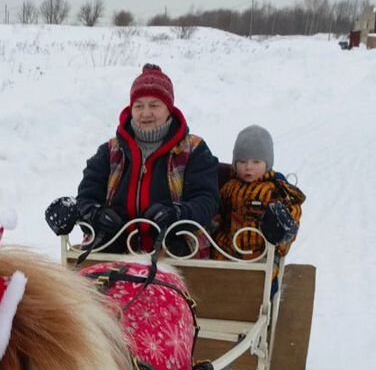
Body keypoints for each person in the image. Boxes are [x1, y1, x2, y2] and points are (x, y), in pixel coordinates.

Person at [45, 64, 220, 255]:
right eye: (139, 106)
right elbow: (87, 197)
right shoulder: (110, 151)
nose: (146, 113)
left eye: (154, 105)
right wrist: (97, 215)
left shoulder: (193, 149)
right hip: (113, 248)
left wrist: (176, 214)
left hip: (175, 250)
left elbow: (206, 199)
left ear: (169, 109)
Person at [212, 125, 305, 271]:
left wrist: (280, 242)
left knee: (260, 279)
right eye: (242, 161)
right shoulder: (230, 187)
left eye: (256, 162)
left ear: (267, 163)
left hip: (261, 255)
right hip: (227, 252)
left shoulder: (275, 190)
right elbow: (218, 211)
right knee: (216, 276)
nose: (248, 167)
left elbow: (291, 219)